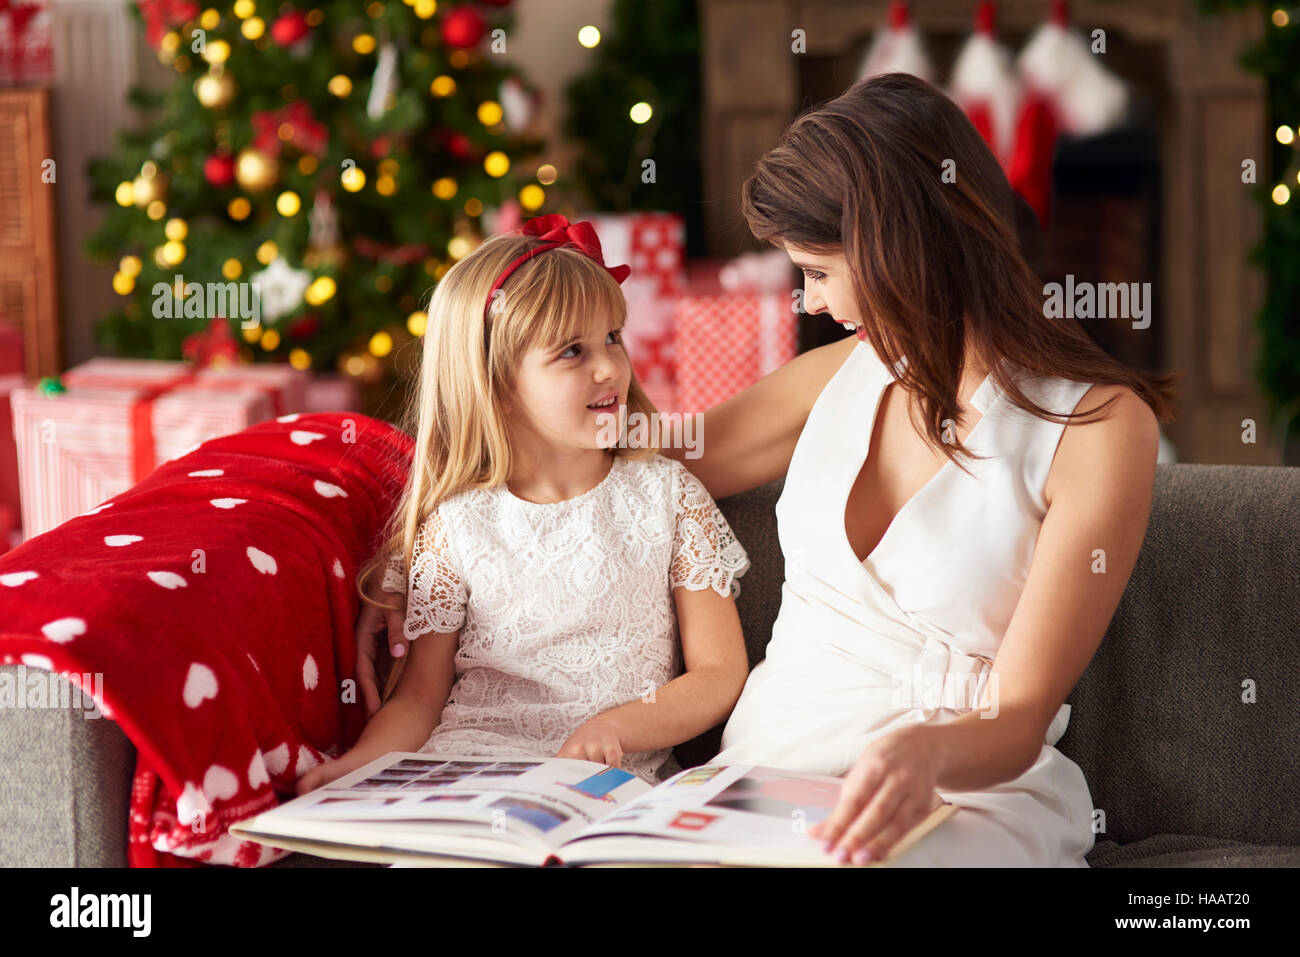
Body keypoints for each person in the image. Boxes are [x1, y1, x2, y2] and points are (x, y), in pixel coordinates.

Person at [359, 73, 1182, 866]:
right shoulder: (842, 376)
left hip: (961, 788)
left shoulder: (1099, 429)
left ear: (902, 248)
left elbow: (1018, 714)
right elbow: (605, 445)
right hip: (755, 780)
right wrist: (407, 550)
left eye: (818, 272)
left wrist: (923, 757)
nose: (812, 303)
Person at [300, 214, 751, 796]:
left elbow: (719, 672)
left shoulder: (666, 496)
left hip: (607, 783)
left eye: (613, 336)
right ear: (497, 387)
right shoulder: (456, 525)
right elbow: (418, 698)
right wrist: (355, 766)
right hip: (469, 772)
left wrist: (615, 727)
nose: (610, 366)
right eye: (572, 351)